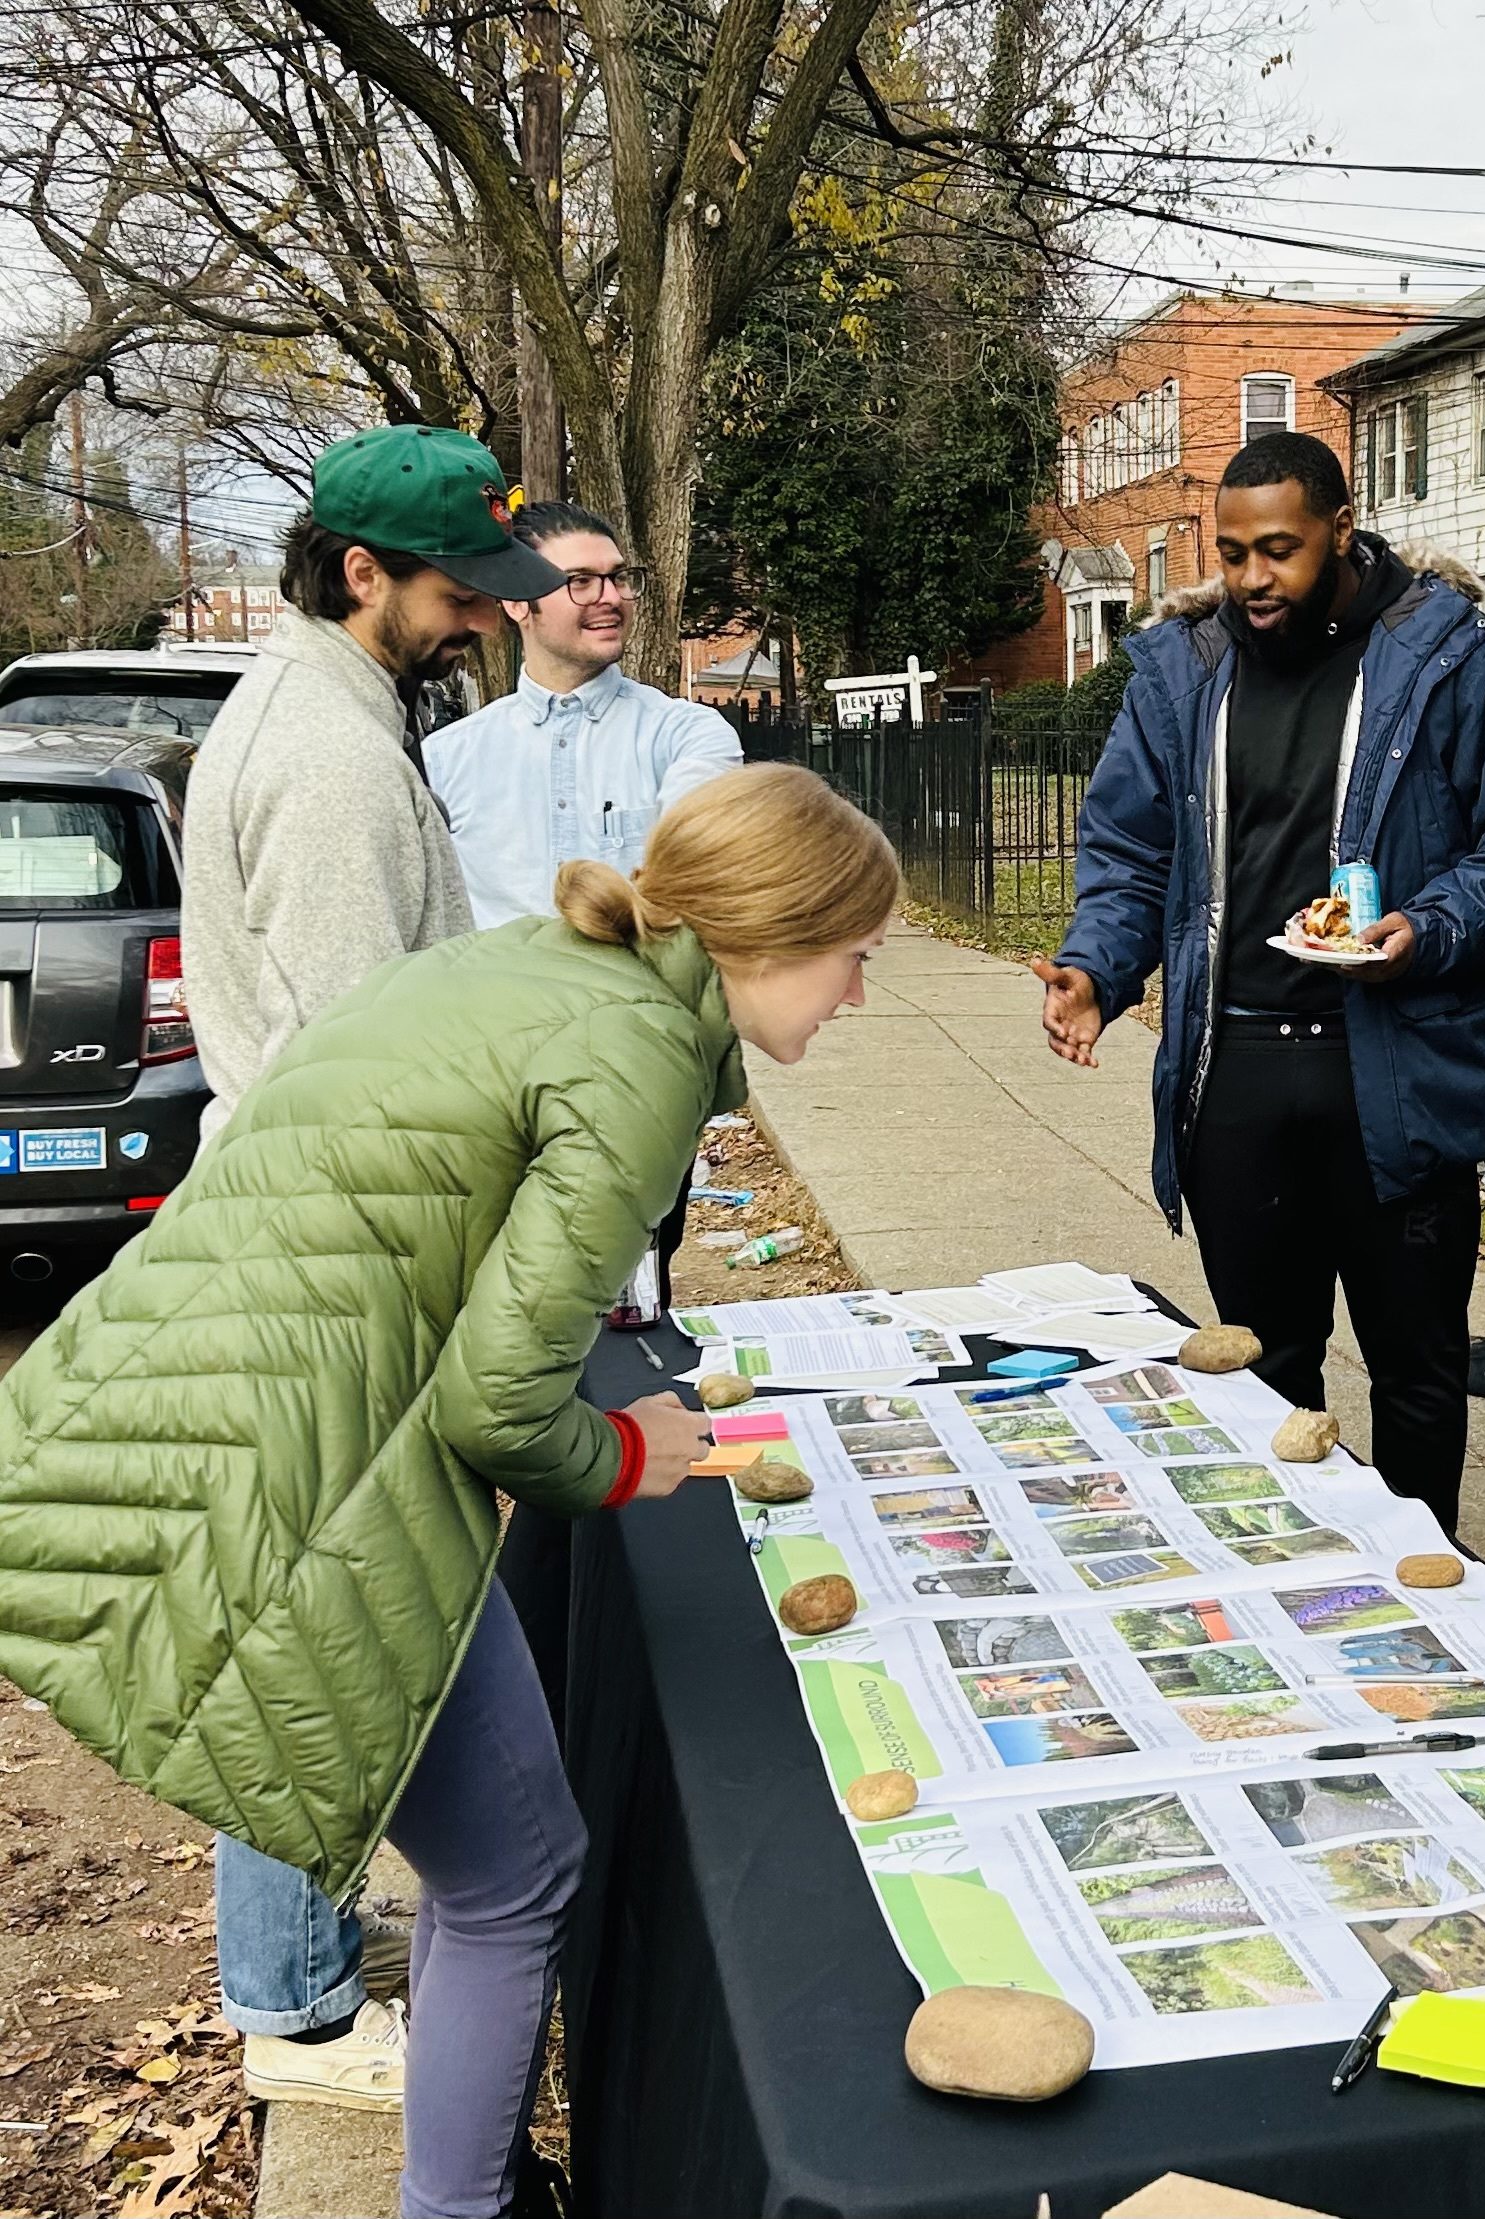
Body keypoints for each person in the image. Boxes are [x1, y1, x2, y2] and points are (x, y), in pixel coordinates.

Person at [0, 763, 899, 2219]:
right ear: (772, 933)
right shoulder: (643, 1061)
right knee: (515, 1872)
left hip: (182, 1408)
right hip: (292, 1480)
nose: (857, 993)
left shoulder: (545, 965)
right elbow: (494, 1402)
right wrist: (625, 1453)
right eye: (856, 955)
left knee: (507, 1856)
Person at [180, 424, 567, 2108]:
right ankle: (298, 2010)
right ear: (359, 573)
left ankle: (302, 1954)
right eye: (454, 591)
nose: (480, 619)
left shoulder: (333, 707)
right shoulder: (332, 765)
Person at [1035, 432, 1485, 1534]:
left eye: (1278, 549)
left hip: (1398, 1069)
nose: (1252, 580)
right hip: (1233, 1072)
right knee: (1266, 1371)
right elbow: (1130, 852)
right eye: (1232, 553)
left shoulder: (1448, 653)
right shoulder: (1182, 671)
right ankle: (1301, 1579)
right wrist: (1098, 964)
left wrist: (1427, 926)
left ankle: (1431, 1584)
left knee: (1417, 1372)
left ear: (1341, 527)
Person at [424, 499, 742, 929]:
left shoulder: (687, 738)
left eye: (617, 578)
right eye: (581, 581)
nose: (610, 597)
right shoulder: (445, 760)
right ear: (517, 603)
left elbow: (696, 891)